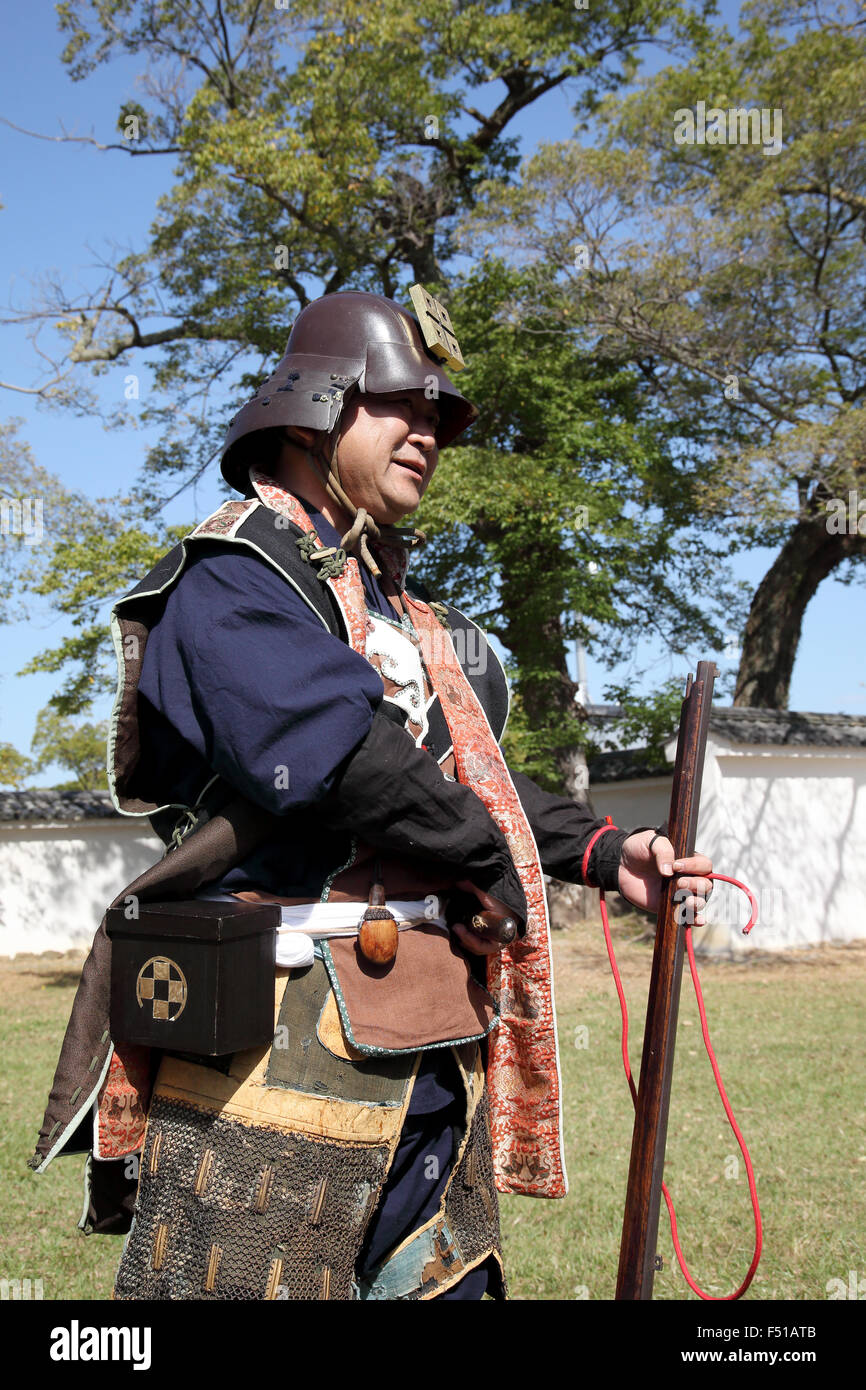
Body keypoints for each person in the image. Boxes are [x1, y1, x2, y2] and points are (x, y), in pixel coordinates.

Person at [30, 287, 712, 1301]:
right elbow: (343, 751)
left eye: (438, 415)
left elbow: (455, 767)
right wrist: (485, 860)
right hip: (267, 1068)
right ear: (316, 405)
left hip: (427, 1050)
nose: (426, 432)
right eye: (401, 403)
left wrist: (609, 854)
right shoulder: (233, 574)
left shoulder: (390, 601)